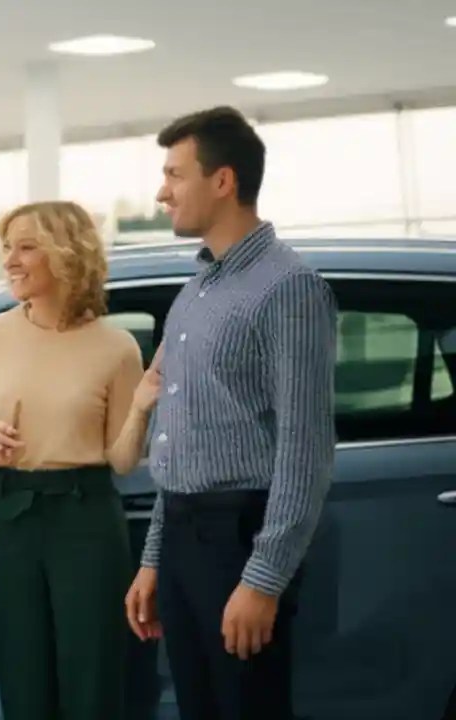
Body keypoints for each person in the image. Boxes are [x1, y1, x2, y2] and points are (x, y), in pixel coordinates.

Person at [124, 106, 338, 720]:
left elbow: (305, 451)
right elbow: (181, 440)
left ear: (223, 181)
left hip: (240, 538)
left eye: (174, 174)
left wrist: (264, 579)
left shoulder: (287, 287)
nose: (161, 192)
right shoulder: (197, 291)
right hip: (185, 537)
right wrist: (153, 560)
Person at [0, 200, 160, 720]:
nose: (10, 261)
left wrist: (139, 408)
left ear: (66, 255)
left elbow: (120, 460)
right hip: (8, 515)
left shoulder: (116, 348)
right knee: (22, 683)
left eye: (26, 247)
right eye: (7, 248)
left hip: (86, 518)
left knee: (92, 681)